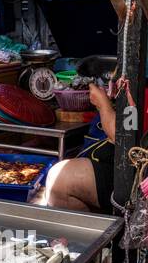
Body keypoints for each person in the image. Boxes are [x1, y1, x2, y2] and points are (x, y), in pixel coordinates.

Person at [41, 82, 117, 212]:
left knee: (58, 180)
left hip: (131, 174)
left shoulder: (141, 88)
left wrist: (103, 104)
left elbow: (120, 137)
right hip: (111, 159)